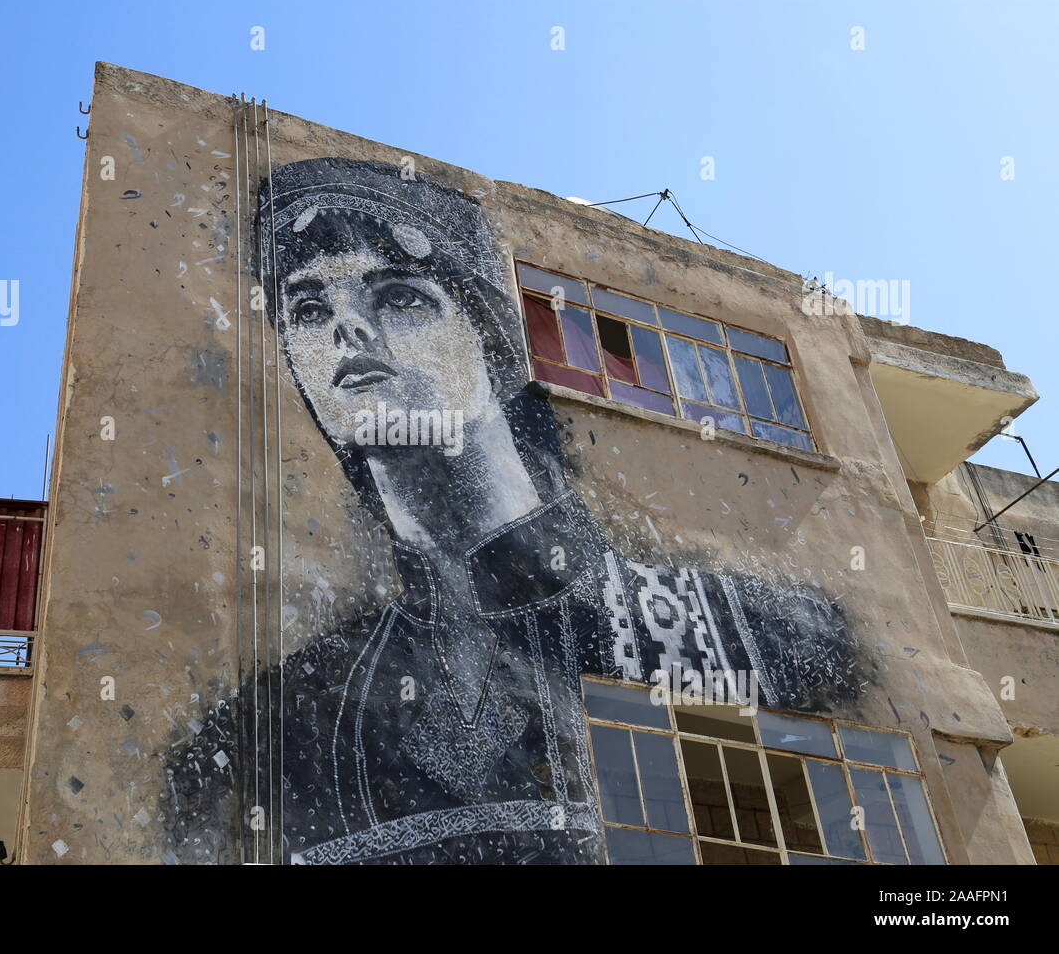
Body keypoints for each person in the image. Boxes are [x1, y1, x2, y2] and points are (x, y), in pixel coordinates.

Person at [163, 158, 872, 865]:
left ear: (493, 343)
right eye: (310, 309)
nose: (347, 331)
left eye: (399, 297)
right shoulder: (269, 728)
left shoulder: (758, 634)